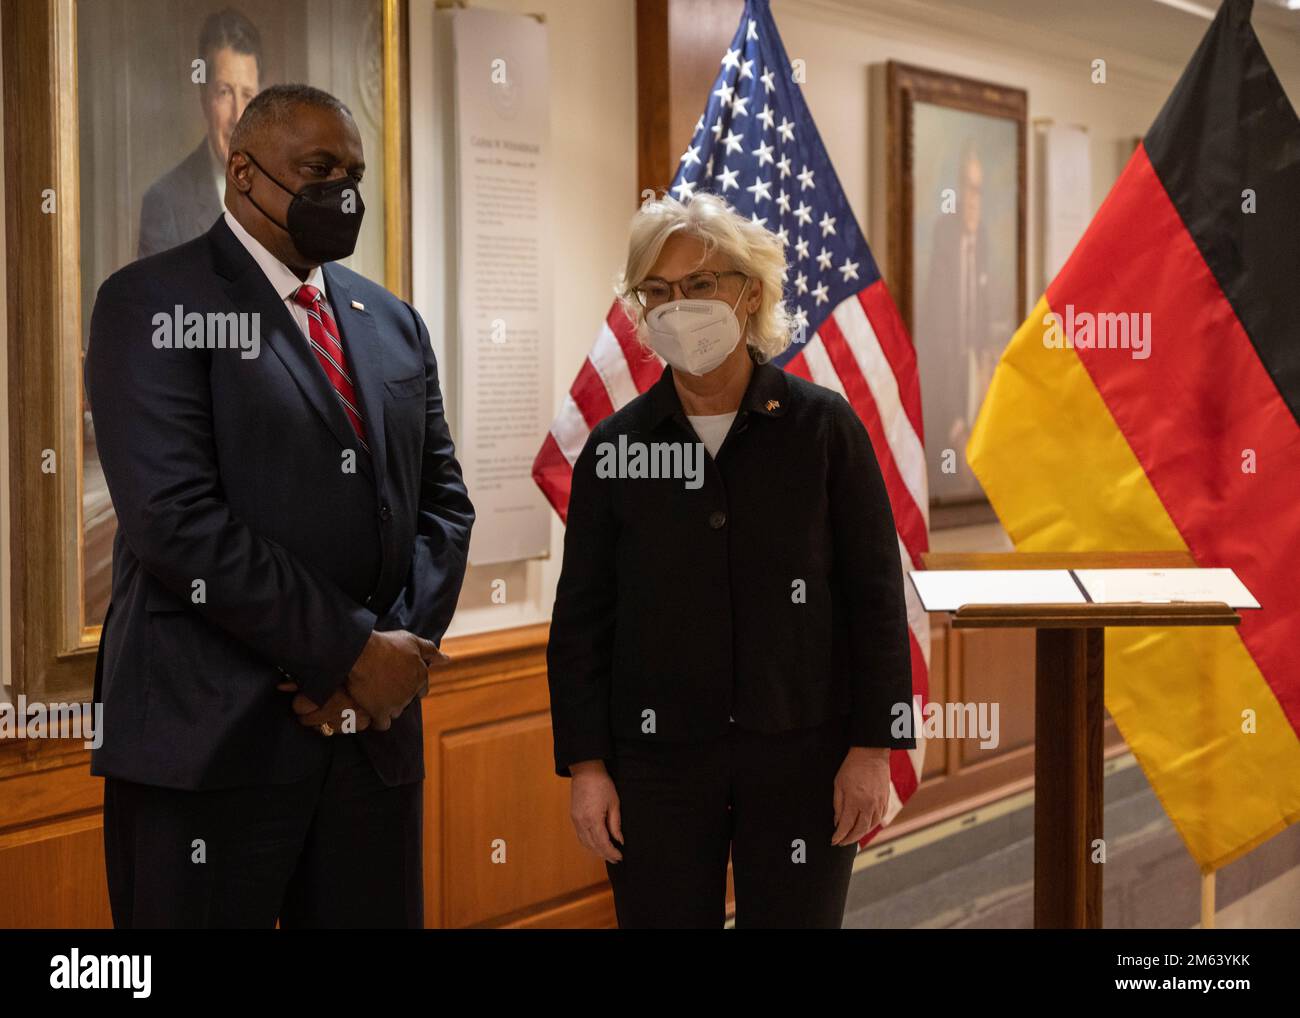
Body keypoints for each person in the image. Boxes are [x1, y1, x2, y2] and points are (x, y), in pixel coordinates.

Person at [85, 83, 474, 928]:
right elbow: (176, 522)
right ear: (245, 173)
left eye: (354, 173)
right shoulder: (154, 303)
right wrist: (346, 651)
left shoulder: (392, 322)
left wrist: (392, 661)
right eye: (319, 168)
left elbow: (444, 502)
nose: (344, 192)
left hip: (370, 746)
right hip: (213, 751)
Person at [547, 192, 916, 928]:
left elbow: (877, 598)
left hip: (804, 760)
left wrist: (874, 748)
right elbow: (583, 618)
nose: (677, 306)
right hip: (655, 768)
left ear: (749, 292)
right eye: (657, 291)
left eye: (699, 285)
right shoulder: (616, 448)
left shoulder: (823, 430)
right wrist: (587, 768)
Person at [137, 7, 261, 259]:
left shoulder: (281, 192)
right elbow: (157, 299)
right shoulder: (164, 203)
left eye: (247, 95)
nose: (238, 116)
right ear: (204, 98)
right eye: (224, 92)